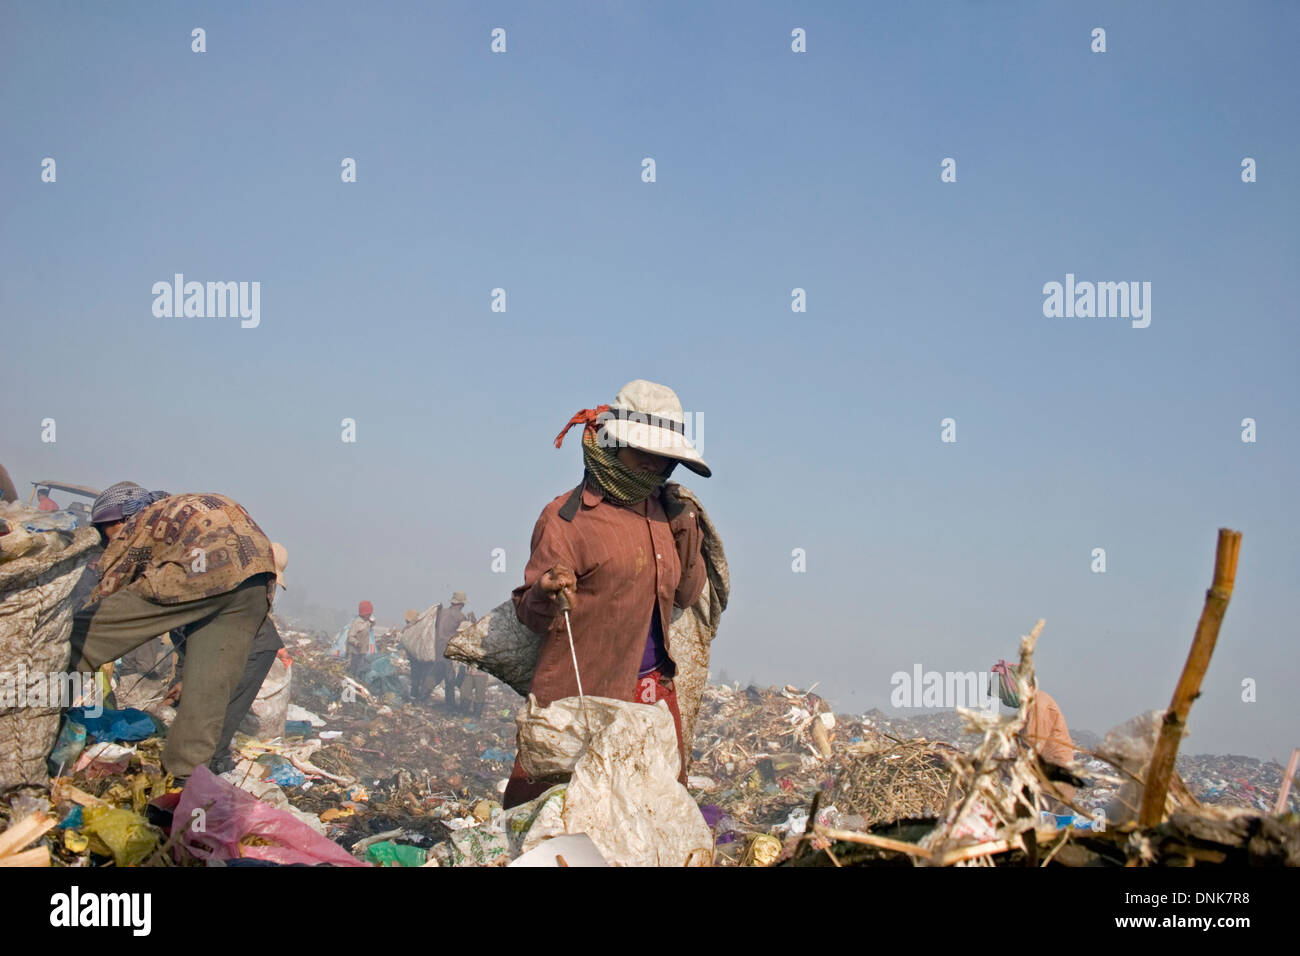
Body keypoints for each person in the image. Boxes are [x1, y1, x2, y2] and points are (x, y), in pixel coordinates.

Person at [503, 380, 710, 808]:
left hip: (652, 695)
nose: (654, 467)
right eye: (644, 455)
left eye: (664, 460)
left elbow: (687, 595)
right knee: (560, 816)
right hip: (583, 698)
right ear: (614, 444)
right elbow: (529, 612)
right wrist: (546, 588)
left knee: (650, 815)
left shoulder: (668, 512)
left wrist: (687, 529)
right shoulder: (568, 520)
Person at [68, 483, 277, 783]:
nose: (107, 541)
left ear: (118, 521)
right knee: (206, 695)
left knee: (82, 637)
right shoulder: (185, 507)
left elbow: (109, 584)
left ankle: (36, 720)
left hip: (203, 568)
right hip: (254, 583)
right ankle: (181, 789)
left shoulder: (142, 519)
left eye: (106, 532)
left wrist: (81, 622)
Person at [168, 542, 290, 773]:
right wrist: (182, 679)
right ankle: (196, 755)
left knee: (228, 706)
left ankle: (211, 759)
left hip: (255, 646)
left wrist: (187, 679)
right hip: (230, 640)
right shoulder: (217, 579)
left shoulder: (248, 584)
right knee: (207, 700)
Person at [993, 659, 1077, 804]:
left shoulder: (1038, 705)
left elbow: (1031, 748)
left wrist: (1001, 767)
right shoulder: (1030, 706)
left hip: (1051, 788)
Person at [431, 591, 474, 711]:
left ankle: (421, 696)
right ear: (461, 604)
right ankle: (450, 705)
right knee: (449, 678)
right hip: (448, 650)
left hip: (436, 647)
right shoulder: (460, 617)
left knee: (437, 674)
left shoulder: (441, 613)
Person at [346, 601, 375, 679]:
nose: (369, 615)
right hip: (355, 652)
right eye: (368, 614)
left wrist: (372, 623)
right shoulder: (357, 623)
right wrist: (357, 643)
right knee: (353, 671)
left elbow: (370, 627)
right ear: (364, 614)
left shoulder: (367, 622)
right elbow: (350, 637)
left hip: (363, 651)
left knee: (360, 670)